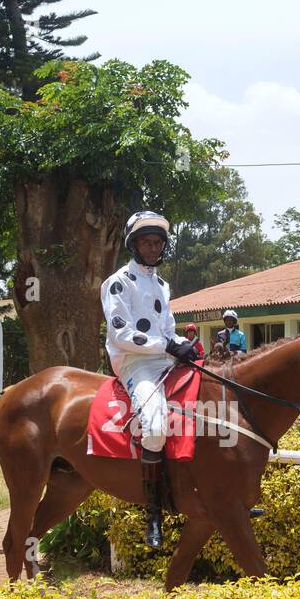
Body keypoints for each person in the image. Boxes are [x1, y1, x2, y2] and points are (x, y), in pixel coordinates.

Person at [101, 210, 200, 548]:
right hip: (135, 362)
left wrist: (182, 345)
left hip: (164, 359)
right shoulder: (117, 282)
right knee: (156, 428)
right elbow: (120, 334)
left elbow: (169, 329)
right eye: (146, 242)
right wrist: (168, 345)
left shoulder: (162, 284)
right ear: (134, 245)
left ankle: (220, 492)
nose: (153, 248)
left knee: (215, 404)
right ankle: (153, 512)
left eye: (158, 242)